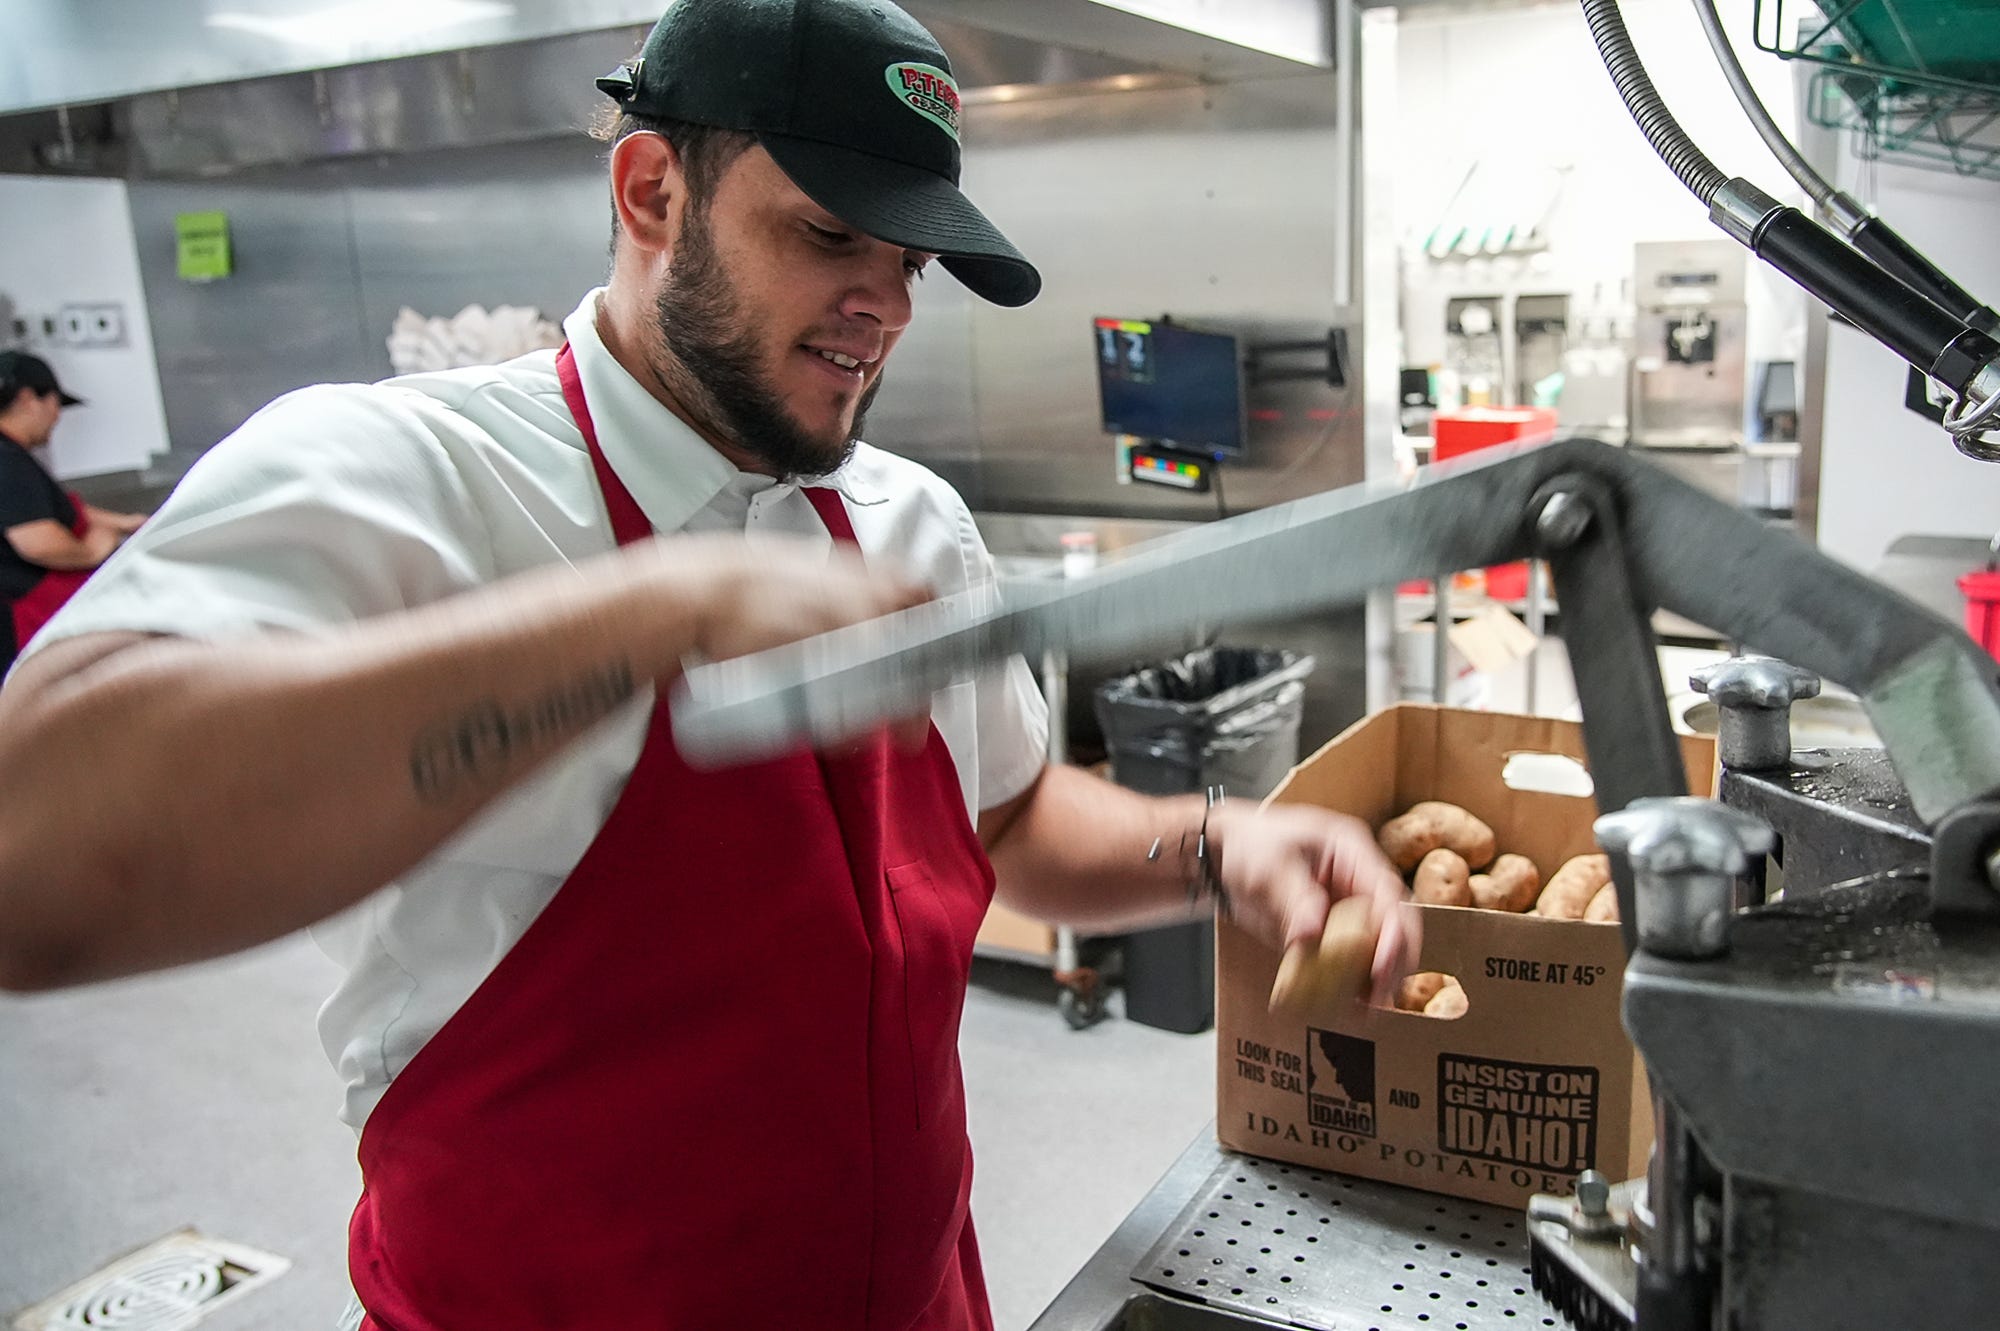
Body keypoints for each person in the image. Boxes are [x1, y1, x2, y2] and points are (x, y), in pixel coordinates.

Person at [0, 2, 1418, 1328]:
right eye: (827, 238)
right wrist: (652, 609)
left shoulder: (905, 516)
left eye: (906, 266)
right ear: (649, 193)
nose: (884, 309)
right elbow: (38, 854)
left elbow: (1004, 824)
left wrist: (1221, 842)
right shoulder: (413, 474)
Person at [0, 350, 144, 671]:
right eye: (55, 404)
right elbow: (39, 542)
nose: (56, 416)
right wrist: (92, 550)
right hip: (23, 629)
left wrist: (128, 523)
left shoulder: (13, 458)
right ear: (28, 399)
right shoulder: (7, 460)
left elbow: (55, 509)